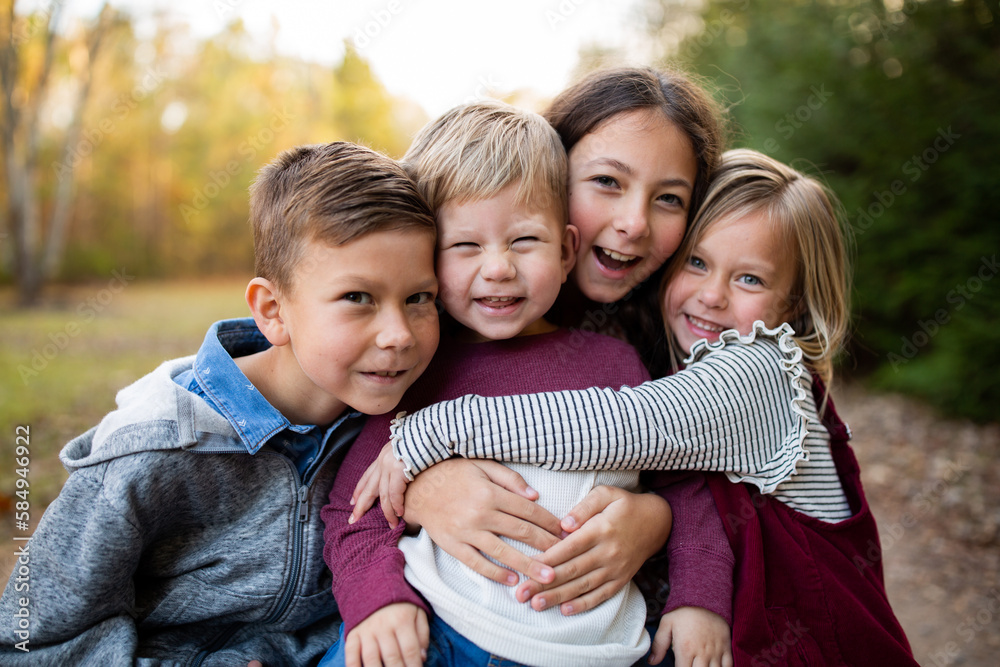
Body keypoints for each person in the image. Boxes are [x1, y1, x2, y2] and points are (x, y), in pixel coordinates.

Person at [359, 149, 918, 666]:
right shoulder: (676, 361)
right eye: (697, 263)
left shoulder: (760, 371)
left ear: (793, 304)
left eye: (749, 278)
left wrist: (433, 429)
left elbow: (619, 425)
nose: (713, 294)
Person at [320, 101, 734, 667]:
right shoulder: (415, 371)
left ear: (565, 250)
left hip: (595, 651)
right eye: (465, 246)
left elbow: (686, 488)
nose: (497, 268)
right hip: (442, 634)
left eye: (523, 243)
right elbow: (352, 510)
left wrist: (700, 600)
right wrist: (380, 604)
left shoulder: (617, 363)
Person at [0, 142, 441, 665]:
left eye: (419, 298)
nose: (398, 335)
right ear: (273, 311)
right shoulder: (153, 451)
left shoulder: (405, 414)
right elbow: (29, 642)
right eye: (357, 298)